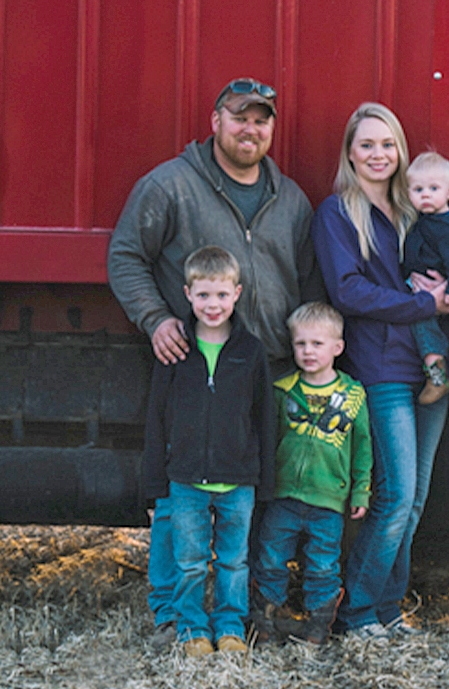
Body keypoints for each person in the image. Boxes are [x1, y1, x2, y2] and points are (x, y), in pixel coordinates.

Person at [107, 77, 315, 649]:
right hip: (195, 366)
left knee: (252, 497)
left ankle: (237, 612)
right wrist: (156, 319)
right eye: (240, 117)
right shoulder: (171, 185)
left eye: (262, 120)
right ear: (215, 120)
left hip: (266, 368)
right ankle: (172, 613)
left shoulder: (290, 198)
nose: (251, 129)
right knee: (180, 501)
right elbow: (126, 254)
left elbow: (308, 281)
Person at [313, 102, 449, 640]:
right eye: (367, 144)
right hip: (379, 369)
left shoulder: (416, 210)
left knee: (415, 500)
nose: (378, 154)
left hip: (428, 367)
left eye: (388, 144)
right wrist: (424, 305)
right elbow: (347, 290)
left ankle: (388, 610)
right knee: (392, 496)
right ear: (350, 152)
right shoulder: (337, 213)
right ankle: (356, 613)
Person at [141, 246, 275, 657]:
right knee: (191, 561)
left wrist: (264, 481)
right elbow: (157, 417)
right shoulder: (176, 351)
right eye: (203, 296)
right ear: (187, 294)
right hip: (186, 480)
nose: (212, 305)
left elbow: (264, 418)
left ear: (237, 293)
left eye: (221, 295)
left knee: (233, 562)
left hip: (237, 481)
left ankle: (230, 626)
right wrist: (154, 483)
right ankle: (192, 629)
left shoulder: (251, 352)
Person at [251, 302, 373, 647]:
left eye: (317, 344)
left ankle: (317, 628)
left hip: (328, 499)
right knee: (271, 559)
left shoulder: (352, 395)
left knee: (322, 566)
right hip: (284, 496)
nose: (308, 351)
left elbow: (362, 447)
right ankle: (265, 625)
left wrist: (360, 491)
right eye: (301, 344)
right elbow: (268, 439)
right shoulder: (283, 390)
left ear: (338, 348)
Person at [402, 151, 449, 405]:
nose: (425, 194)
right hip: (426, 286)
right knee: (437, 330)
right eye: (418, 189)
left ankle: (436, 375)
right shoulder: (428, 220)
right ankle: (445, 368)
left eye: (433, 188)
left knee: (419, 319)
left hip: (438, 292)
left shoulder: (448, 227)